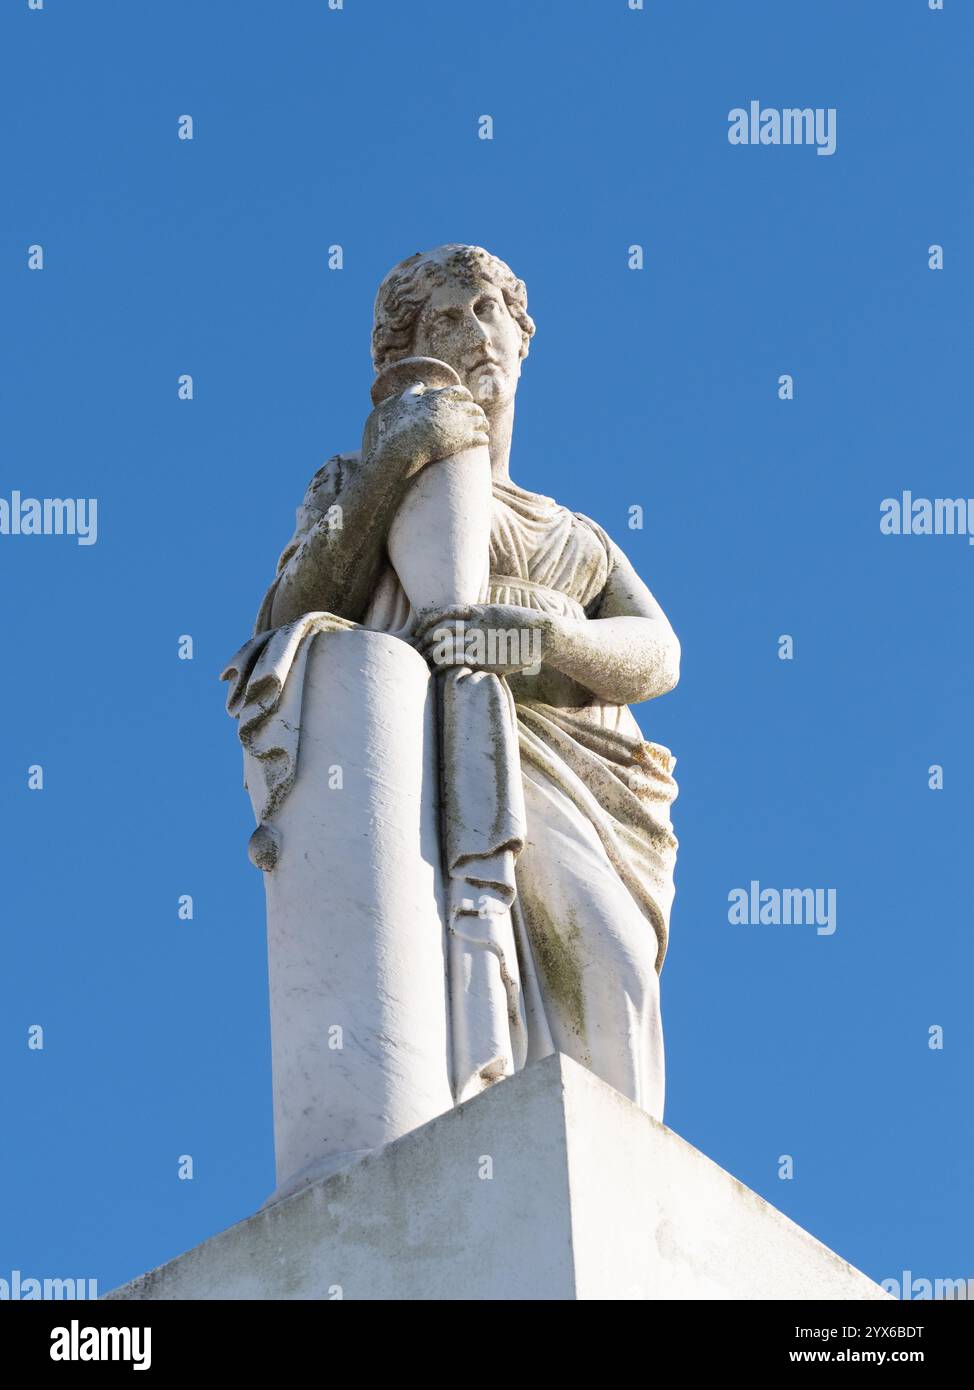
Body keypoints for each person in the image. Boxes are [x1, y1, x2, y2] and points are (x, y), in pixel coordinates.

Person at [250, 245, 680, 1119]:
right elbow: (294, 606)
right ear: (412, 346)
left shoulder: (577, 533)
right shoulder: (361, 481)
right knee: (432, 967)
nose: (474, 331)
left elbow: (661, 653)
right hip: (435, 743)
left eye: (489, 310)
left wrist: (554, 635)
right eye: (446, 318)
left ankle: (607, 1206)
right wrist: (394, 464)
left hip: (582, 769)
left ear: (524, 337)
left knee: (610, 964)